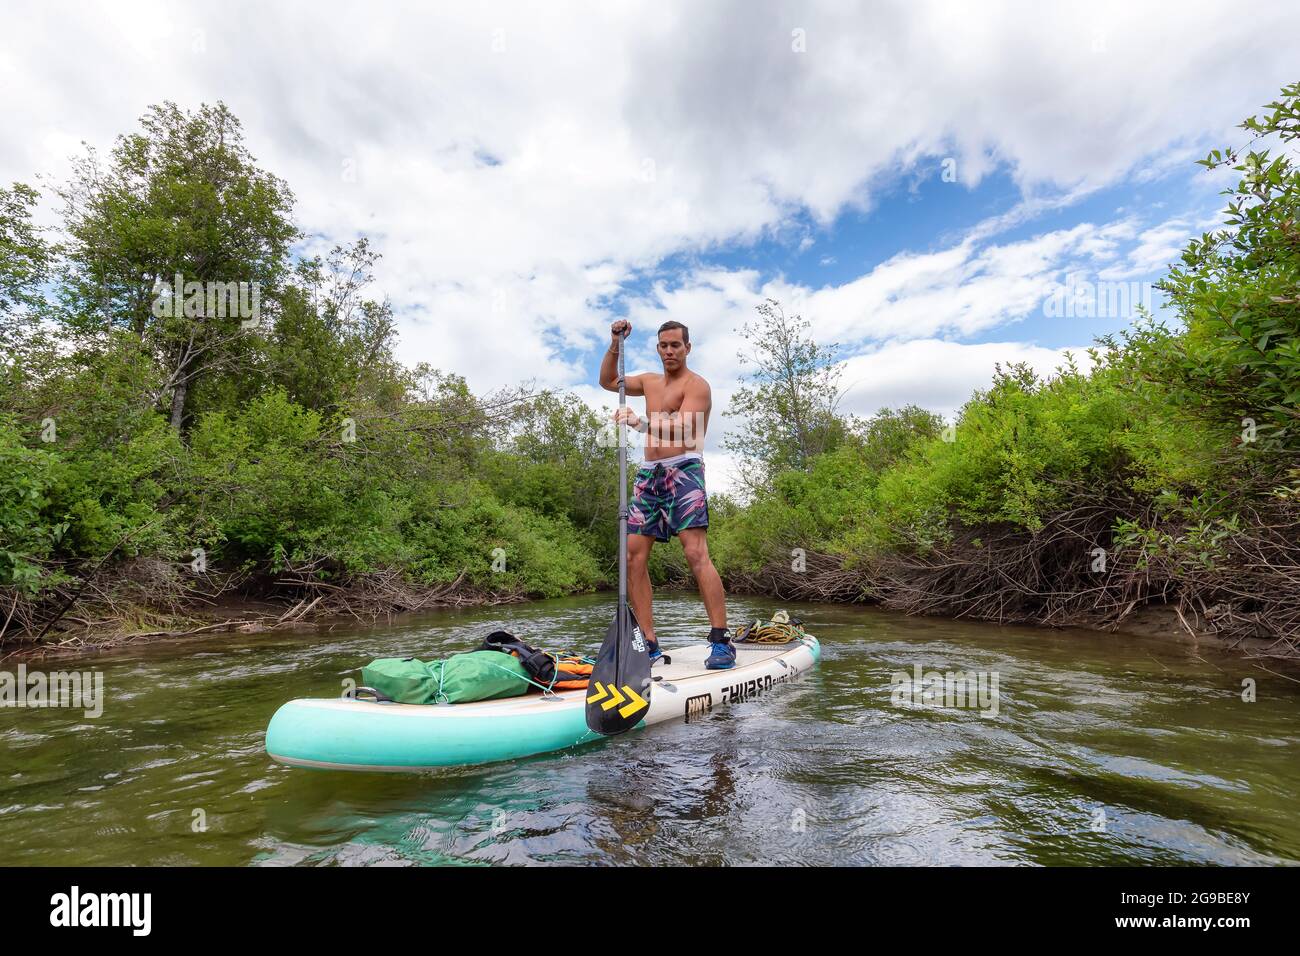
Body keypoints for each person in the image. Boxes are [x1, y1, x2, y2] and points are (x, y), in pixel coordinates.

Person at [598, 318, 734, 669]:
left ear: (687, 348)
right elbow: (608, 381)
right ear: (657, 348)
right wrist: (615, 343)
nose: (669, 350)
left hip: (684, 470)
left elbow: (685, 428)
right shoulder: (648, 382)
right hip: (648, 476)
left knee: (695, 553)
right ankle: (649, 645)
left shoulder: (697, 386)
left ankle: (721, 640)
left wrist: (639, 423)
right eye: (664, 345)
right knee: (633, 557)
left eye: (676, 344)